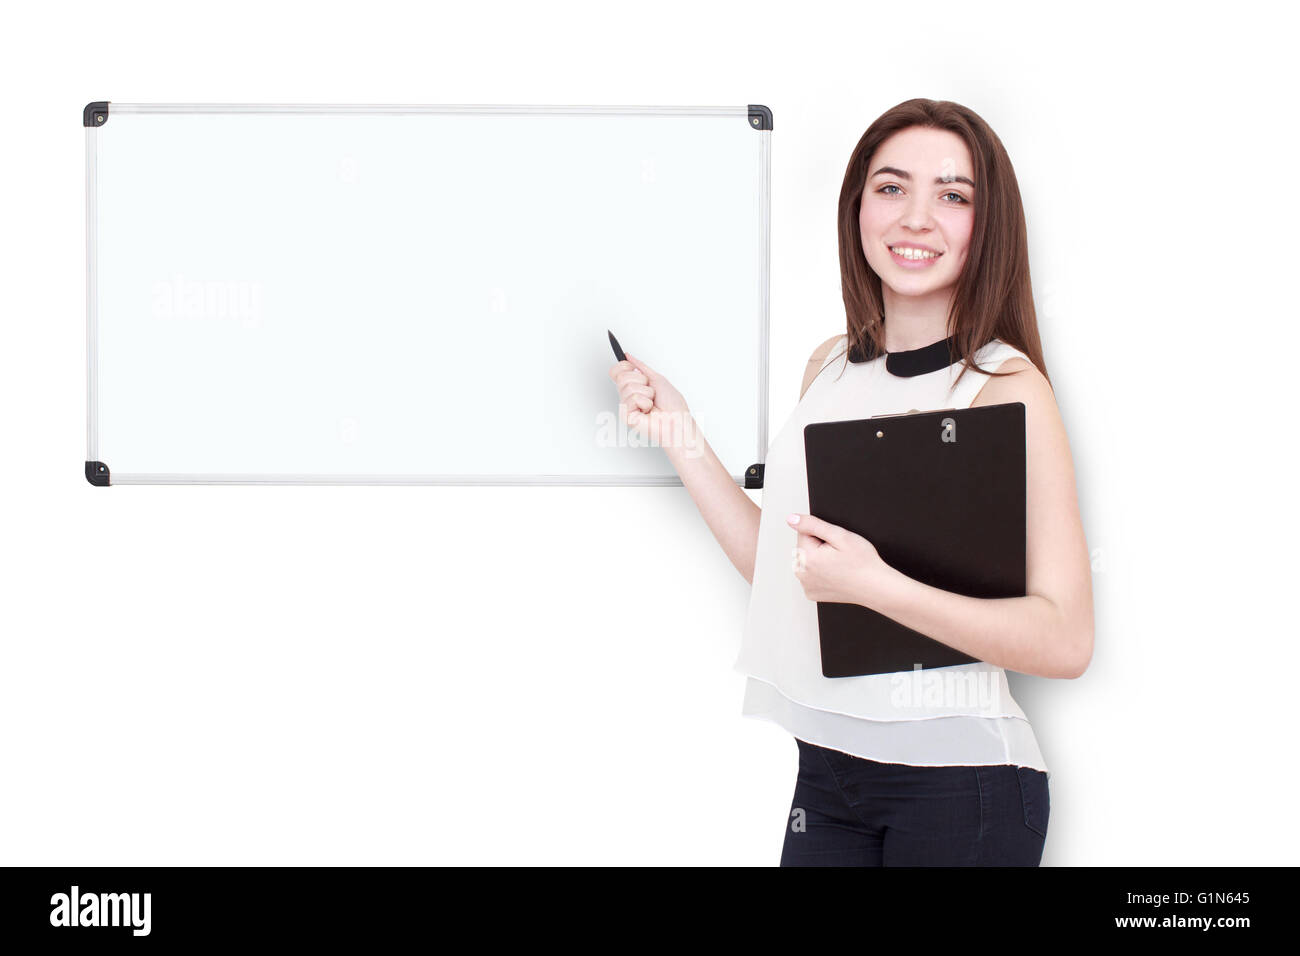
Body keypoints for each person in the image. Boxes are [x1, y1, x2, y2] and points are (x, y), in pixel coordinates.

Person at [607, 98, 1093, 866]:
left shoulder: (1006, 387)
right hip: (828, 778)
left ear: (986, 224)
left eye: (953, 195)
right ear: (858, 206)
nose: (917, 219)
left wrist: (875, 585)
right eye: (892, 188)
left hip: (959, 786)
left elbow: (1065, 639)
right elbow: (788, 567)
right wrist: (679, 432)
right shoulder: (829, 367)